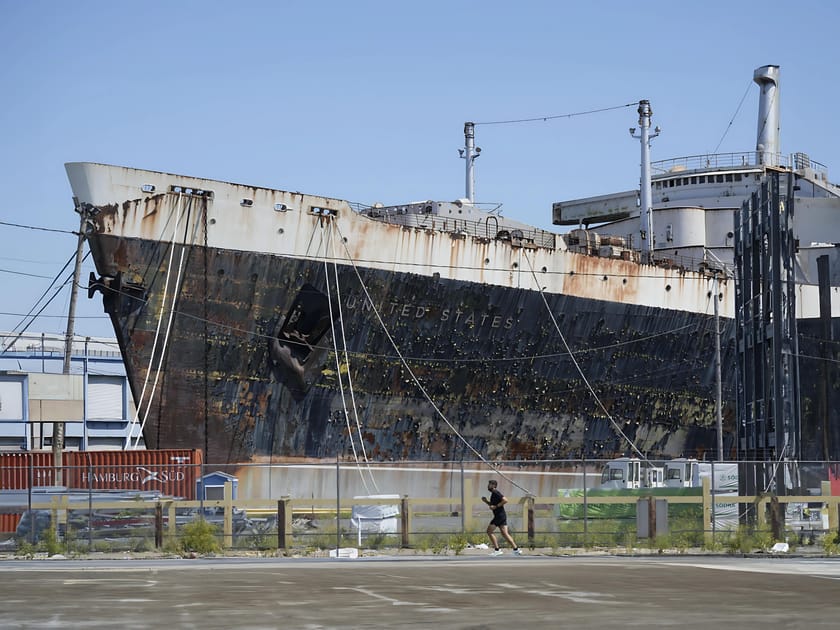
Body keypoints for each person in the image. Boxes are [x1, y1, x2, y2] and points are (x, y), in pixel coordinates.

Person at [482, 479, 522, 556]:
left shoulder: (496, 492)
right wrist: (486, 501)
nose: (488, 486)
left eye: (490, 484)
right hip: (501, 516)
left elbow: (505, 500)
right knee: (505, 534)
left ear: (494, 485)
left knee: (489, 531)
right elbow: (492, 505)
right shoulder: (493, 494)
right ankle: (516, 549)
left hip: (499, 516)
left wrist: (496, 506)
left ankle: (497, 550)